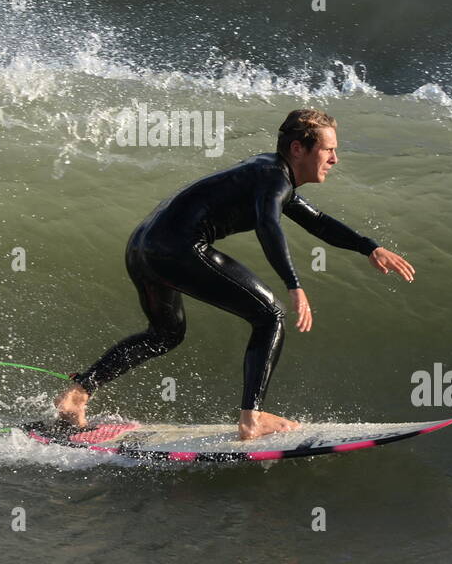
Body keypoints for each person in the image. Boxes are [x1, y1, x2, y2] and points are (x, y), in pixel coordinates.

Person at [54, 108, 415, 440]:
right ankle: (252, 419)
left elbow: (317, 221)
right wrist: (294, 285)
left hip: (143, 247)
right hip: (176, 247)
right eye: (328, 150)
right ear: (298, 149)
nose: (335, 159)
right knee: (270, 314)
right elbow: (268, 226)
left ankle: (77, 394)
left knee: (165, 334)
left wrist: (370, 247)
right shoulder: (274, 180)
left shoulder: (271, 174)